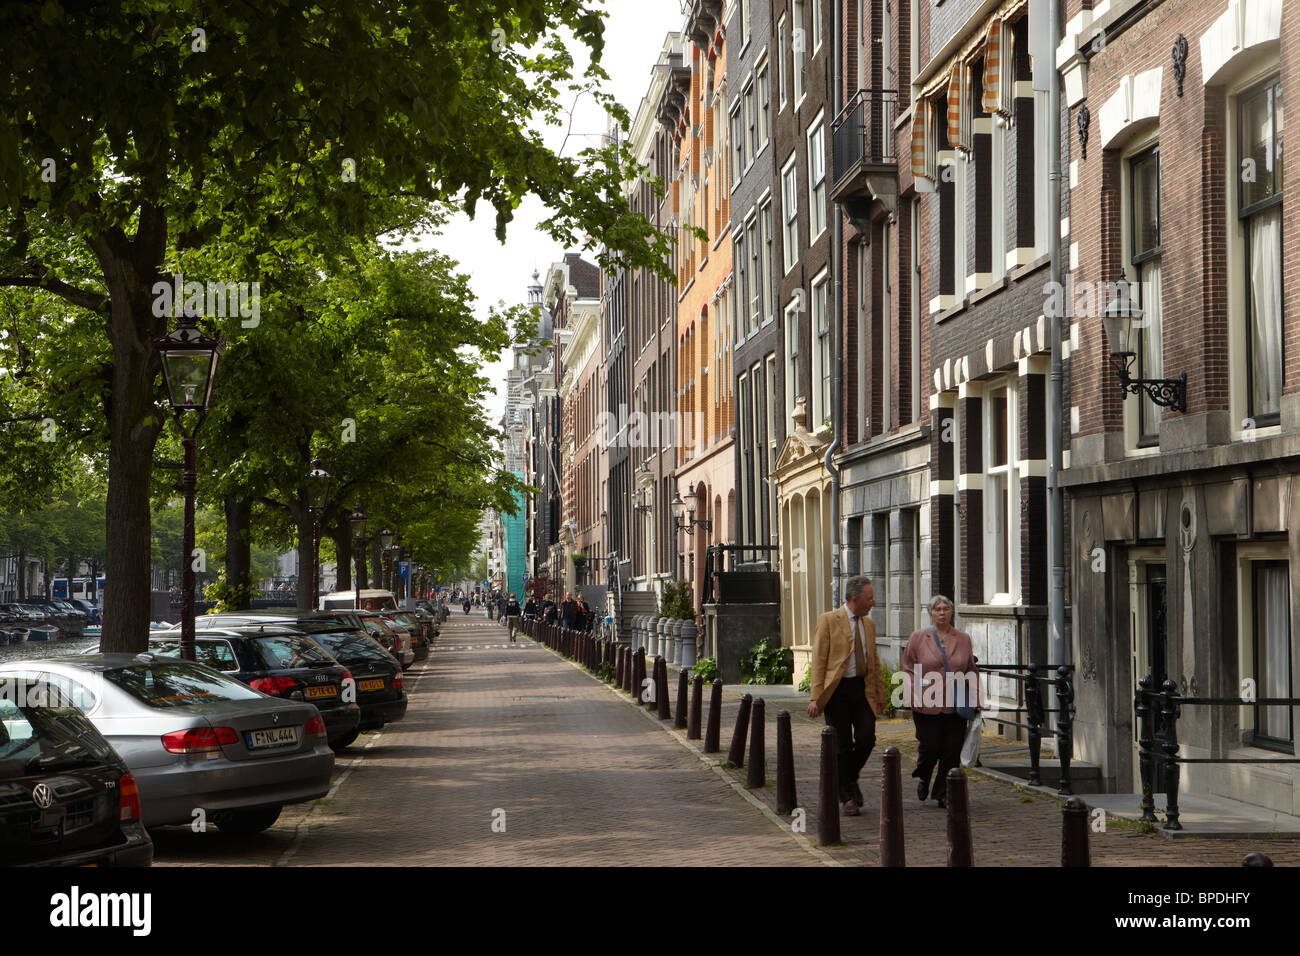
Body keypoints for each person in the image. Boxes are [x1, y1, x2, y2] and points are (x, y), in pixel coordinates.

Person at [806, 574, 888, 817]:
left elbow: (873, 661)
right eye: (869, 599)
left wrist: (880, 694)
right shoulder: (829, 620)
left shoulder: (869, 625)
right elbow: (819, 660)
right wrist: (815, 697)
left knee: (866, 738)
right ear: (855, 599)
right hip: (837, 691)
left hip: (862, 689)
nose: (873, 603)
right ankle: (848, 796)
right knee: (841, 745)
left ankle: (848, 780)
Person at [902, 595, 982, 809]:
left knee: (952, 748)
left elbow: (971, 670)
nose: (942, 612)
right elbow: (908, 669)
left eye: (946, 608)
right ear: (930, 613)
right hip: (926, 702)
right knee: (930, 747)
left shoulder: (963, 639)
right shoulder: (918, 638)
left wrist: (977, 699)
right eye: (937, 609)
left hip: (956, 703)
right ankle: (924, 775)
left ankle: (942, 792)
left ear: (951, 612)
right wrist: (912, 695)